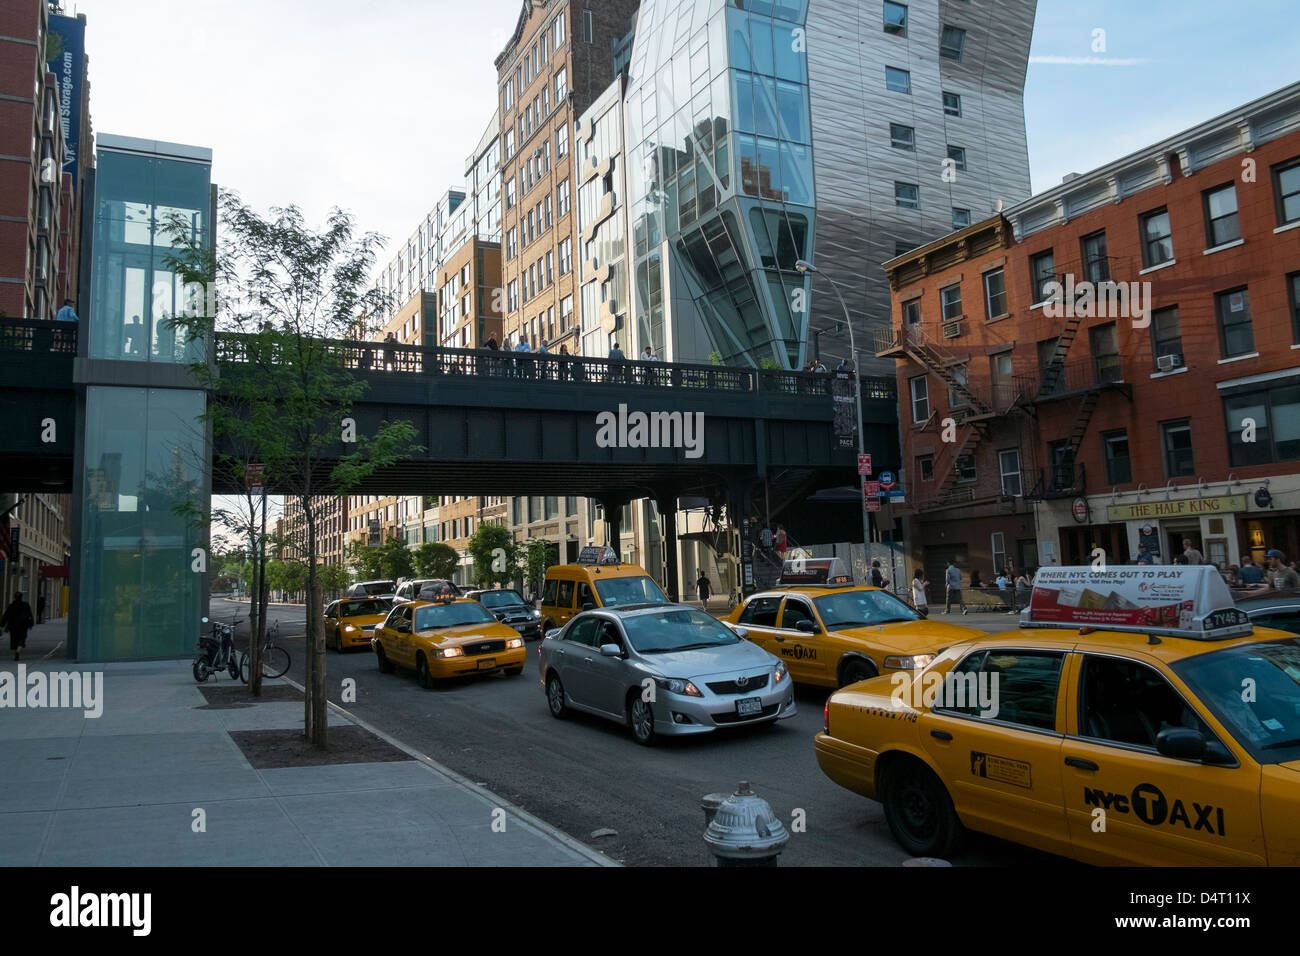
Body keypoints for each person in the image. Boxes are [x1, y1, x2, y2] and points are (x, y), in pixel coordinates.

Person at [1, 592, 35, 661]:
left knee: (14, 639)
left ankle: (15, 652)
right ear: (21, 597)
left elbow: (6, 615)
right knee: (22, 639)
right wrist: (31, 624)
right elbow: (29, 615)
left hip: (13, 626)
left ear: (14, 597)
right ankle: (18, 651)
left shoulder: (11, 606)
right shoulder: (26, 605)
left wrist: (2, 624)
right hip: (23, 625)